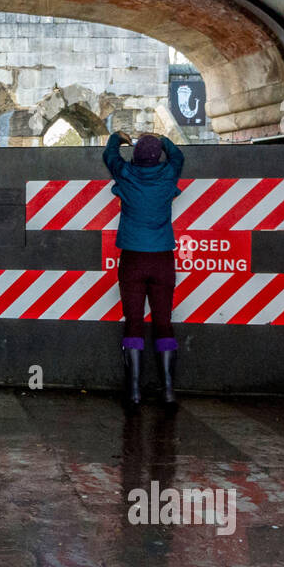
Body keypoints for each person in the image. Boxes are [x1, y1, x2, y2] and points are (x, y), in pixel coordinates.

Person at [103, 128, 185, 405]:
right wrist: (162, 140)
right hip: (162, 259)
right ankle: (169, 390)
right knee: (164, 323)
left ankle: (135, 392)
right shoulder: (168, 175)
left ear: (136, 158)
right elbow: (178, 155)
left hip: (133, 260)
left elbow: (109, 155)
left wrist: (118, 138)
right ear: (157, 157)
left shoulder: (125, 175)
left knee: (134, 322)